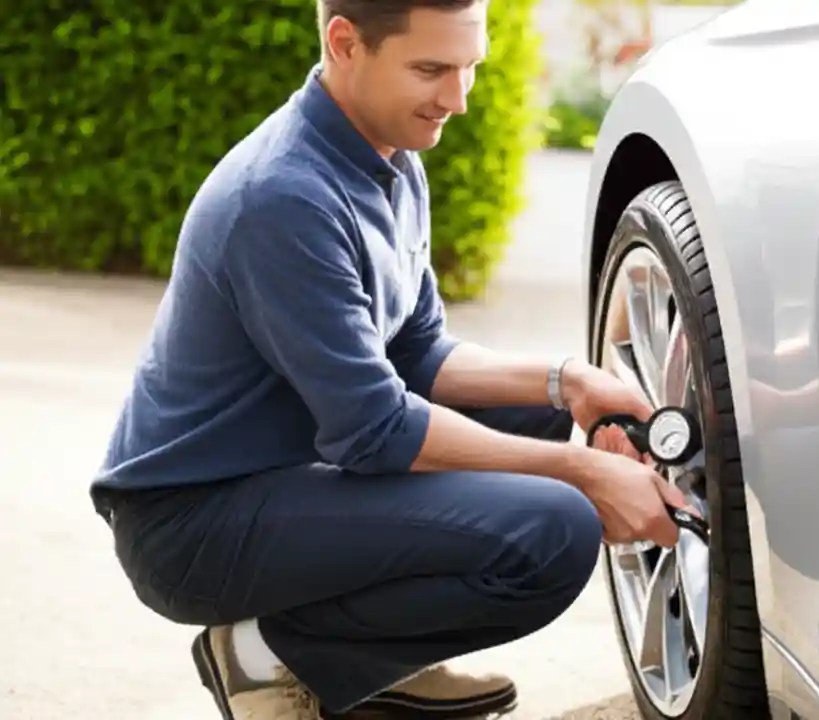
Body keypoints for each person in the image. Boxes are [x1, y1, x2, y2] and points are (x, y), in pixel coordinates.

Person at [88, 1, 691, 718]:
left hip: (289, 477)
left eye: (469, 69)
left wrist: (570, 382)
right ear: (345, 44)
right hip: (195, 525)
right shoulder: (283, 199)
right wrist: (584, 470)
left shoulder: (392, 159)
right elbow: (375, 431)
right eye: (431, 69)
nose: (457, 100)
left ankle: (367, 662)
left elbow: (416, 353)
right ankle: (264, 657)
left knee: (528, 409)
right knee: (556, 530)